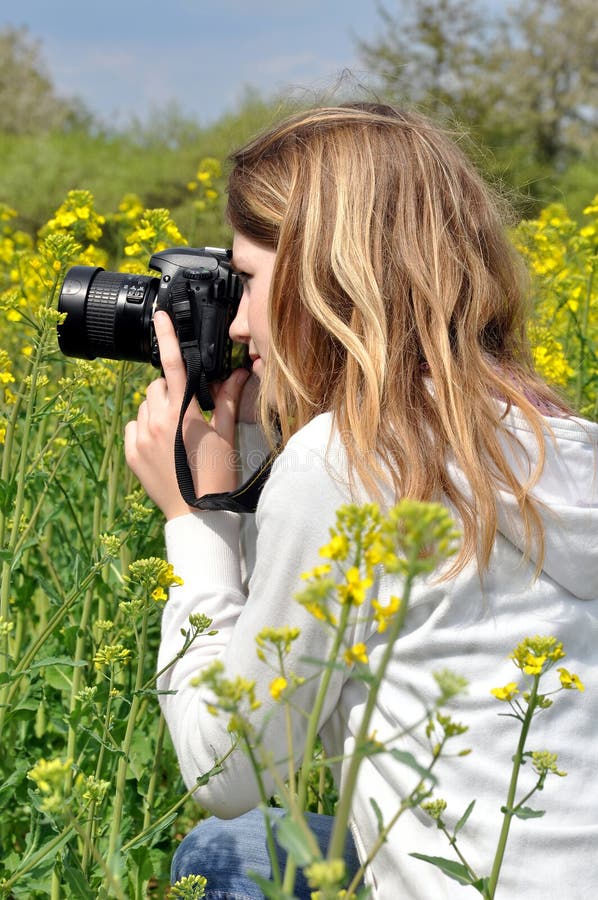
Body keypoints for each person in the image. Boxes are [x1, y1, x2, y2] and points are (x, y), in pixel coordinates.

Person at [124, 104, 598, 899]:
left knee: (222, 852)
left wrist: (195, 519)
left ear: (327, 281)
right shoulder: (562, 443)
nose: (235, 324)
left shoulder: (344, 462)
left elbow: (226, 767)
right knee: (250, 847)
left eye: (248, 282)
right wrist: (255, 455)